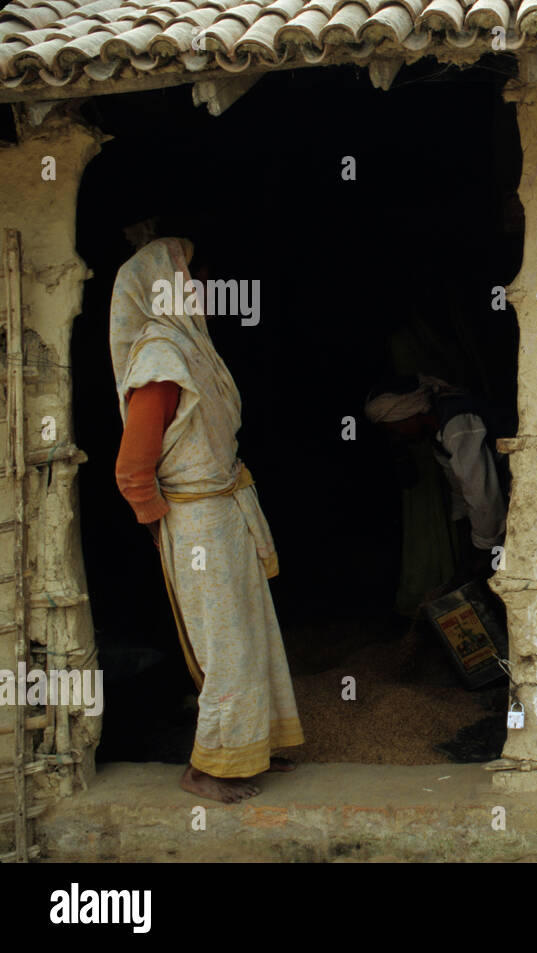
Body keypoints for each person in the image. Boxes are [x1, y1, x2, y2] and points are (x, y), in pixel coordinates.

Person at [111, 236, 302, 803]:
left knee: (252, 635)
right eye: (190, 278)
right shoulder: (161, 360)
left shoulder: (190, 347)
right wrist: (155, 521)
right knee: (227, 647)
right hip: (197, 521)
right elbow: (131, 469)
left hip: (223, 512)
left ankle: (251, 748)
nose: (201, 288)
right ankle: (207, 768)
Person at [364, 375, 507, 601]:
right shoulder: (437, 435)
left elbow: (483, 497)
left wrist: (481, 555)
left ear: (411, 412)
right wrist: (464, 562)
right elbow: (461, 494)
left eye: (395, 429)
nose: (397, 438)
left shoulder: (456, 424)